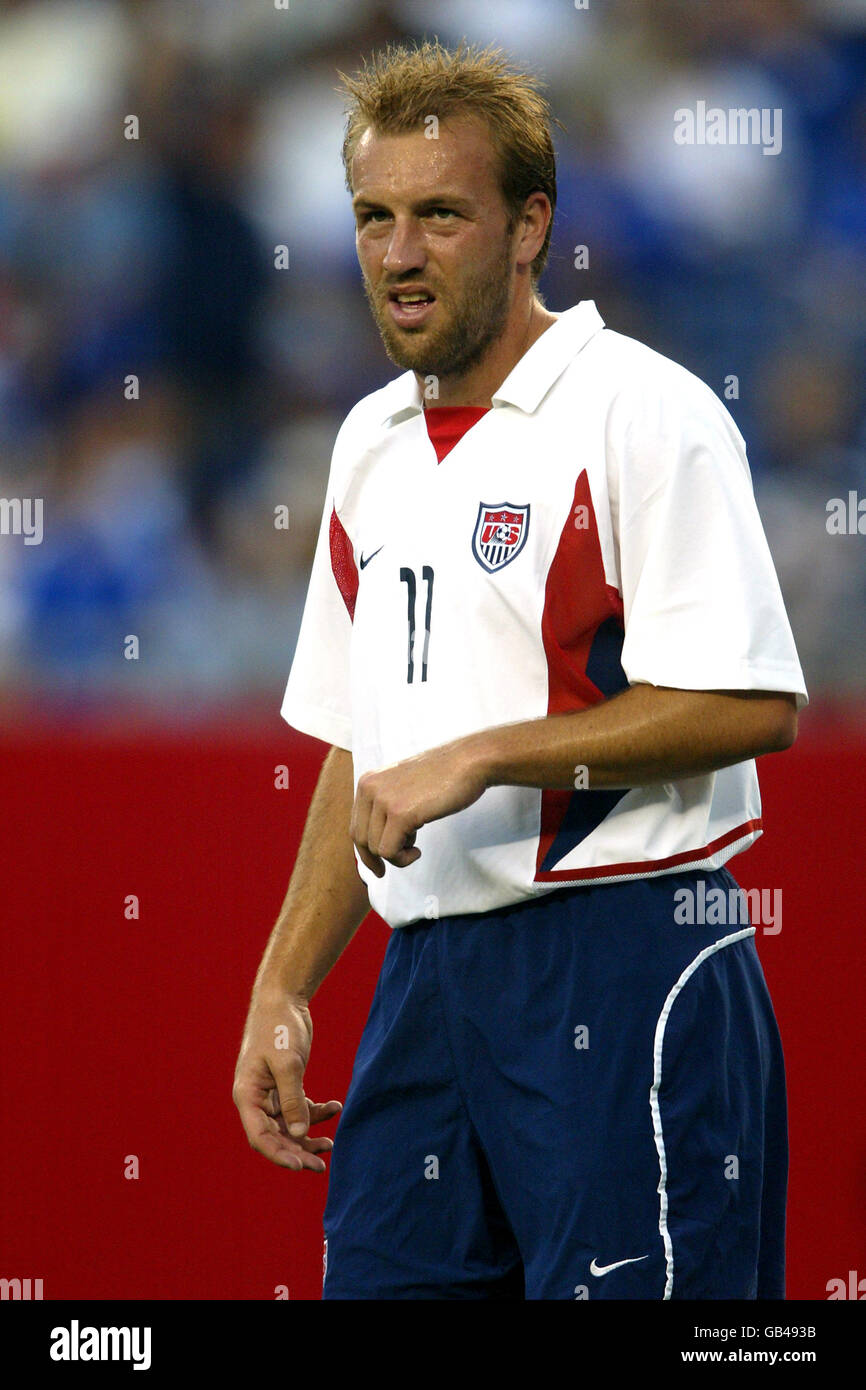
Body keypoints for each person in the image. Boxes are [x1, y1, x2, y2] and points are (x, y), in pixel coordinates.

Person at [233, 40, 808, 1300]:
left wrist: (485, 751)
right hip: (426, 982)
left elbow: (752, 700)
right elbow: (356, 740)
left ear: (529, 223)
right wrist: (283, 982)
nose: (397, 253)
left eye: (440, 213)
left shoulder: (640, 412)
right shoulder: (366, 444)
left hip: (625, 951)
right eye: (374, 218)